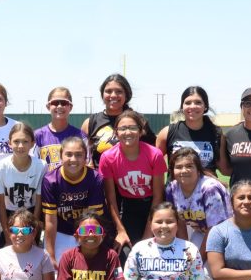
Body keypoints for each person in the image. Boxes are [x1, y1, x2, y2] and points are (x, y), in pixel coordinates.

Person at [165, 148, 232, 280]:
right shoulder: (172, 187)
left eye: (189, 166)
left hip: (223, 233)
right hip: (197, 231)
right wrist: (185, 250)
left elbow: (215, 228)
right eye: (178, 167)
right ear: (172, 169)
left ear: (198, 168)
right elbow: (180, 221)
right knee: (183, 271)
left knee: (204, 274)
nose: (183, 170)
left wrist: (197, 258)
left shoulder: (209, 188)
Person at [99, 109, 166, 256]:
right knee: (126, 252)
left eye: (132, 128)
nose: (127, 132)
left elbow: (158, 196)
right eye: (123, 128)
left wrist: (148, 234)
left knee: (153, 251)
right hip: (128, 208)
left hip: (153, 207)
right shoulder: (108, 157)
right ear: (116, 133)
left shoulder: (155, 154)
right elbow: (111, 200)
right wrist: (121, 231)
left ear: (141, 131)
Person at [41, 137, 107, 268]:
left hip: (85, 231)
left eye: (78, 155)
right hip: (60, 232)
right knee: (56, 277)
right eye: (68, 154)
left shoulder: (95, 178)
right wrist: (51, 253)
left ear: (86, 158)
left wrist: (91, 245)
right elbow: (50, 221)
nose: (73, 159)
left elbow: (93, 218)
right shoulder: (50, 180)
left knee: (87, 274)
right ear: (61, 156)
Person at [81, 73, 156, 167]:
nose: (113, 95)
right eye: (108, 91)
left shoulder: (139, 120)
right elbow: (82, 153)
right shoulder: (90, 122)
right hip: (100, 179)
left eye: (119, 91)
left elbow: (153, 152)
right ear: (102, 94)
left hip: (130, 178)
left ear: (127, 95)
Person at [0, 123, 47, 244]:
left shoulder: (41, 166)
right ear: (9, 143)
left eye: (25, 141)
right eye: (16, 141)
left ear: (32, 143)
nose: (20, 146)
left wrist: (34, 229)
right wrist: (7, 234)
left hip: (31, 212)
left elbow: (38, 201)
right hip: (9, 214)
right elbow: (0, 204)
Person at [156, 86, 222, 176]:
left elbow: (224, 168)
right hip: (176, 189)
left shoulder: (216, 133)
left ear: (205, 106)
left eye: (198, 102)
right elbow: (154, 165)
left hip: (207, 189)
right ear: (182, 107)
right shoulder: (167, 133)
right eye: (188, 103)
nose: (193, 106)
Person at [34, 87, 87, 171]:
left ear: (70, 107)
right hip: (45, 183)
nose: (59, 106)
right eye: (55, 103)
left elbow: (88, 164)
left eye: (64, 103)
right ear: (48, 106)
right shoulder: (37, 136)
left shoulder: (80, 136)